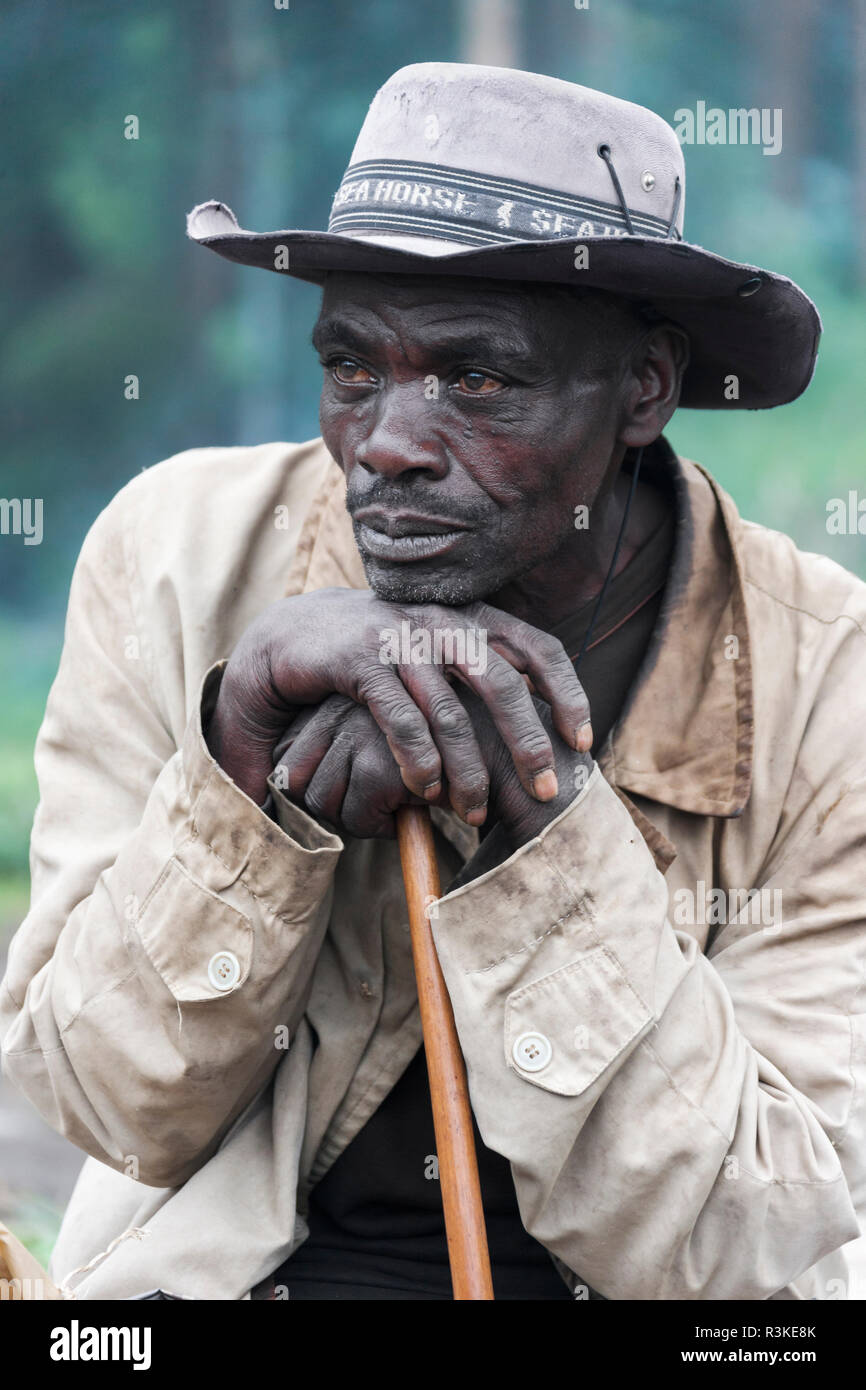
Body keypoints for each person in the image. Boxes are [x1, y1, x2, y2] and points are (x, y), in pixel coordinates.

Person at [2, 62, 864, 1301]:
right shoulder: (177, 559)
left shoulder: (826, 680)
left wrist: (543, 819)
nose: (387, 445)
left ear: (643, 389)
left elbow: (736, 1246)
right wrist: (241, 756)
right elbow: (100, 1102)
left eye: (476, 379)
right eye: (352, 368)